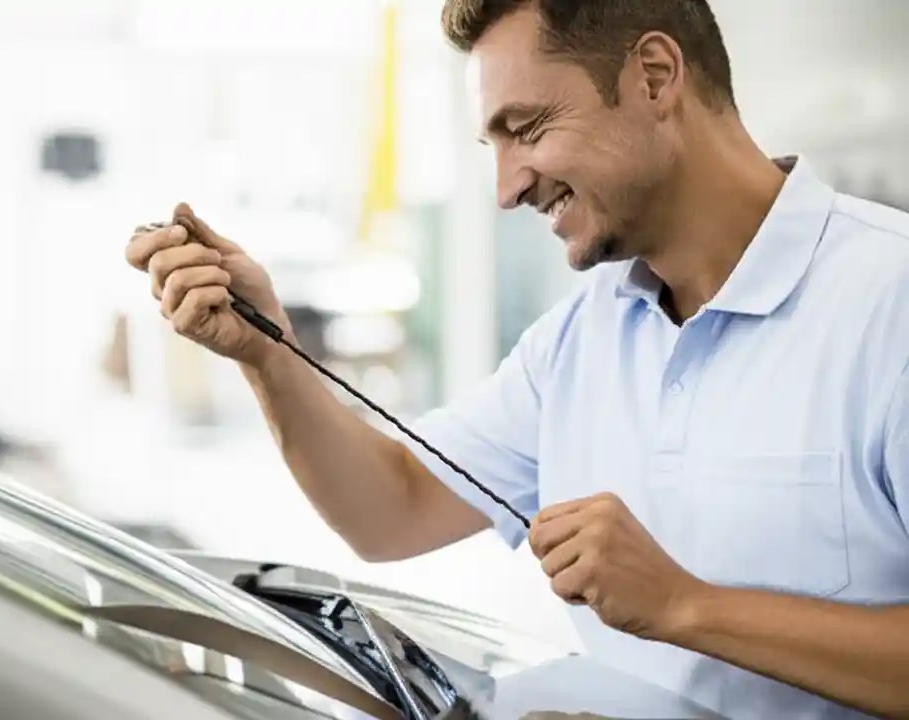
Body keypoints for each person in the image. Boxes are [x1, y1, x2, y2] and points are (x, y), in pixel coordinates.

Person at [124, 1, 909, 717]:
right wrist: (268, 356)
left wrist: (684, 605)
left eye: (526, 128)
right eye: (492, 143)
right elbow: (390, 508)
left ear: (655, 76)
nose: (506, 188)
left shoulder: (889, 304)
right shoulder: (579, 342)